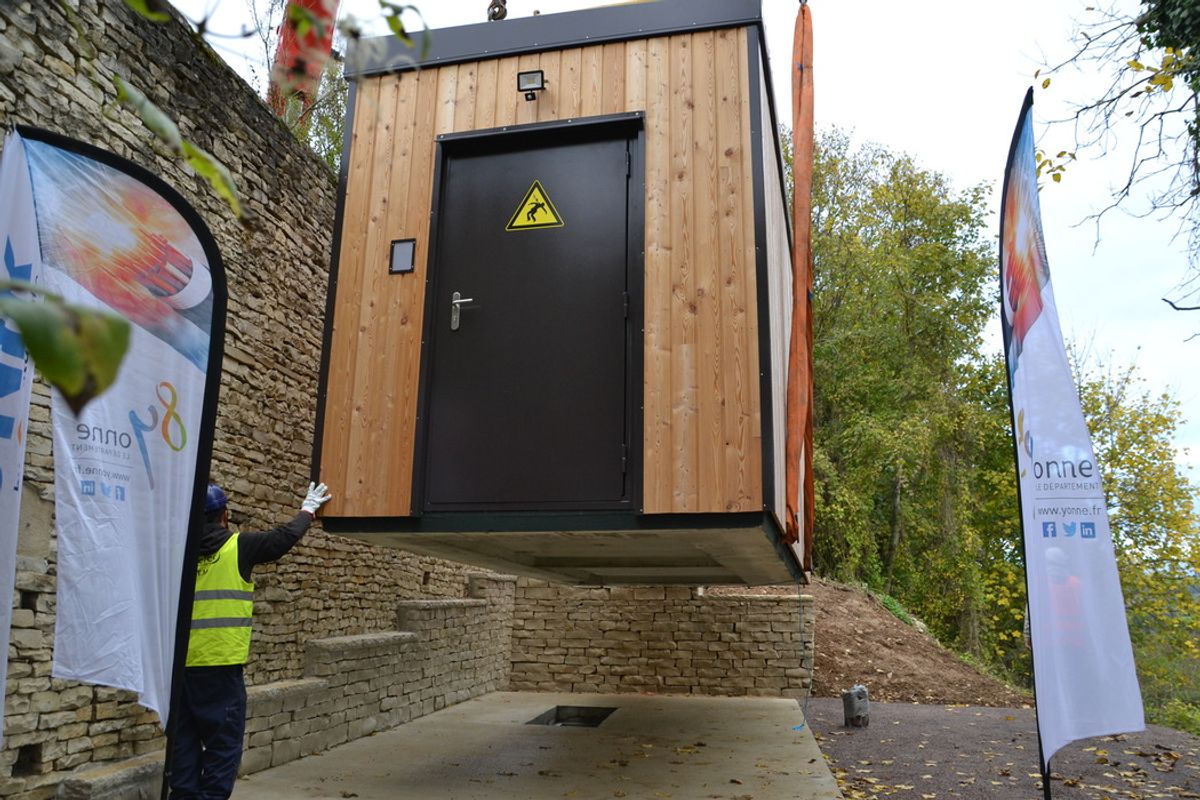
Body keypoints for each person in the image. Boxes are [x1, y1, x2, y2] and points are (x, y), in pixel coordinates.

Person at [168, 480, 332, 800]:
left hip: (178, 669)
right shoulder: (237, 547)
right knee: (222, 746)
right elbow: (282, 539)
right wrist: (308, 511)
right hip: (220, 667)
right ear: (224, 516)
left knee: (182, 742)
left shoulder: (176, 555)